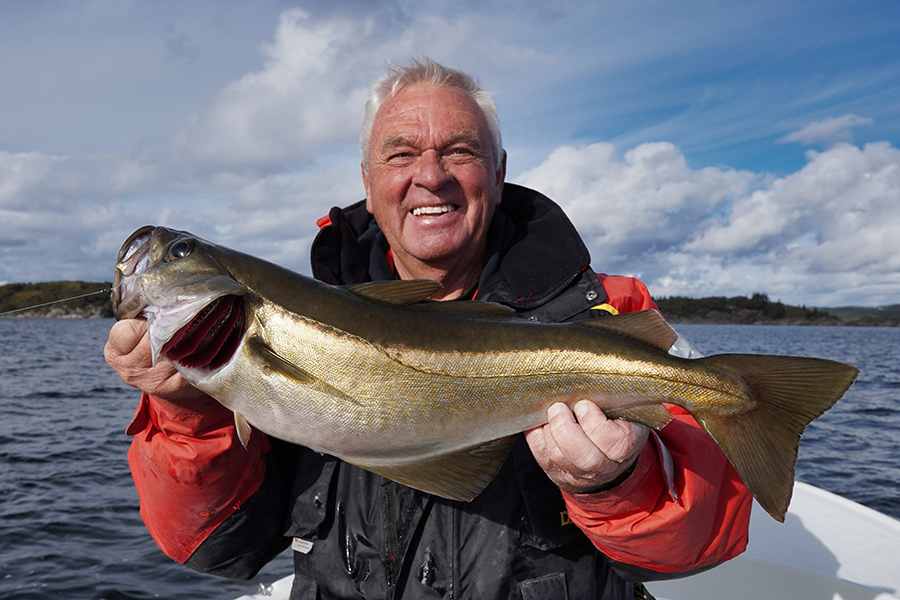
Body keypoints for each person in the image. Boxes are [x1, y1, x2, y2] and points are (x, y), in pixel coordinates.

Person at [106, 57, 752, 599]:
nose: (431, 175)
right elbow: (213, 548)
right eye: (401, 153)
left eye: (461, 151)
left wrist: (616, 483)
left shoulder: (608, 311)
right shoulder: (283, 323)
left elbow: (706, 542)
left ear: (498, 173)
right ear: (368, 179)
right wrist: (190, 412)